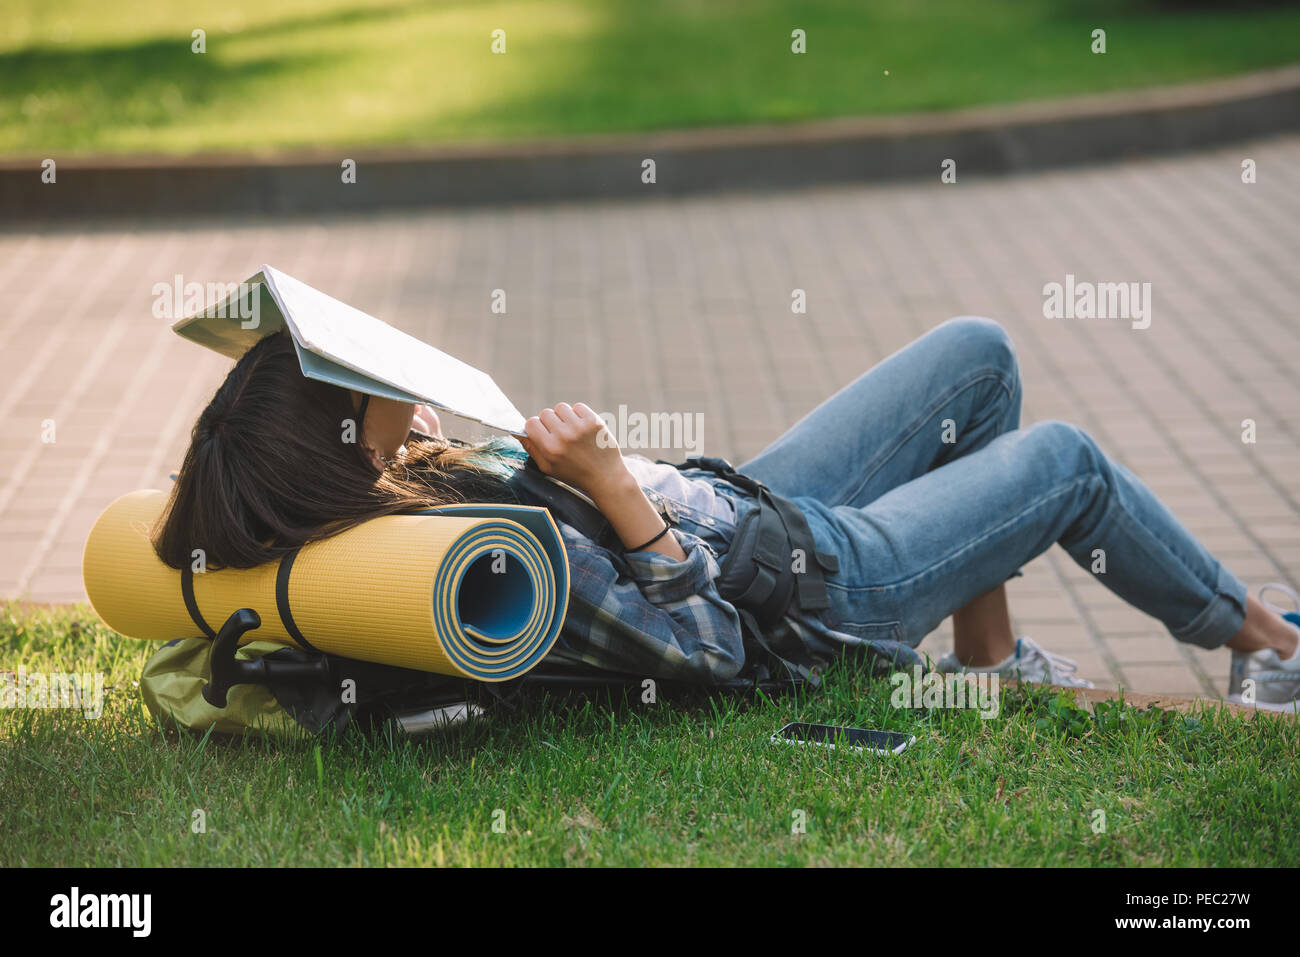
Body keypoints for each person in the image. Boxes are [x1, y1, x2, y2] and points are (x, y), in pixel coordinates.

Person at [152, 317, 1300, 711]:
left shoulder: (396, 486)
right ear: (349, 436)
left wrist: (587, 469)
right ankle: (1268, 647)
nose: (385, 368)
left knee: (978, 362)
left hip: (747, 502)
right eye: (362, 378)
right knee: (1064, 464)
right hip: (811, 592)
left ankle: (985, 663)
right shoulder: (491, 559)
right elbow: (704, 653)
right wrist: (604, 481)